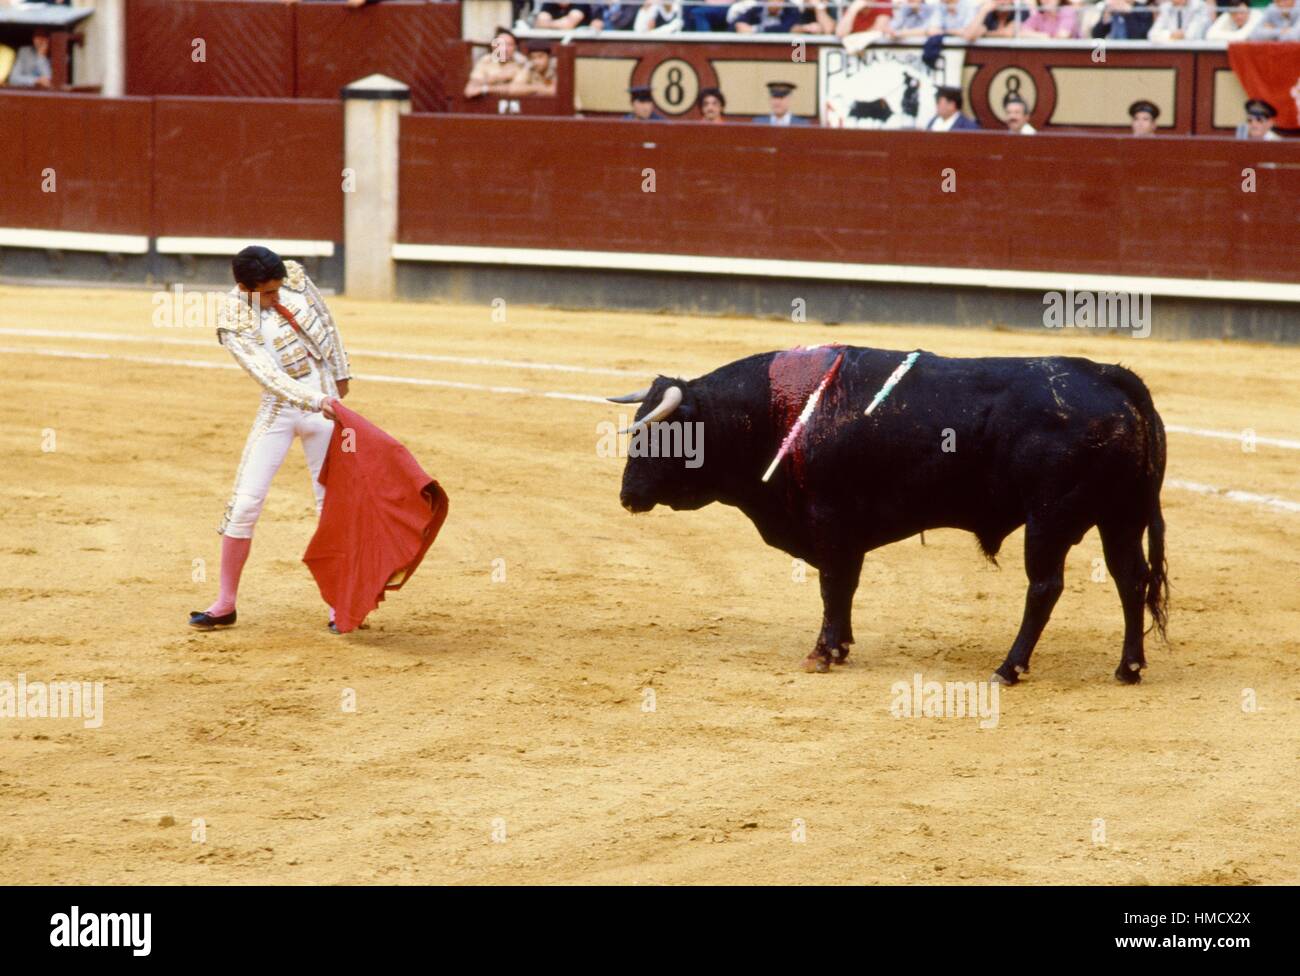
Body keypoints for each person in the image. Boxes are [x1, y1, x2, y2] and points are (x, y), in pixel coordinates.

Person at [189, 246, 352, 632]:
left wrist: (341, 372)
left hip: (325, 404)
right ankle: (225, 603)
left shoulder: (292, 275)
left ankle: (339, 604)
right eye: (267, 294)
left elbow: (326, 323)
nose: (276, 299)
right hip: (282, 410)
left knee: (329, 504)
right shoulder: (233, 316)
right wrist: (318, 399)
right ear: (243, 287)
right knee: (245, 503)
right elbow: (267, 375)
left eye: (278, 290)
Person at [464, 27, 527, 99]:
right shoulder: (486, 60)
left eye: (509, 45)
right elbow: (470, 89)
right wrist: (500, 77)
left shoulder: (521, 63)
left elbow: (516, 89)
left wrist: (485, 89)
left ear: (515, 48)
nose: (505, 49)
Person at [733, 0, 805, 32]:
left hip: (784, 48)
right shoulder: (759, 6)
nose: (775, 2)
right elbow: (737, 23)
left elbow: (786, 28)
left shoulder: (791, 8)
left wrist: (754, 29)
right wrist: (739, 25)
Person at [535, 1, 605, 29]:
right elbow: (540, 22)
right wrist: (560, 24)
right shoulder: (549, 3)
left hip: (579, 43)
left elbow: (568, 25)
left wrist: (549, 24)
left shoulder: (580, 3)